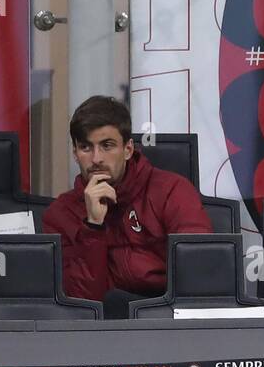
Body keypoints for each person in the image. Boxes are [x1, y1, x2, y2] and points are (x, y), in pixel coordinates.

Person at [44, 96, 212, 316]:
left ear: (128, 149)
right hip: (106, 327)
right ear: (75, 153)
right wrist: (93, 227)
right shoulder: (60, 215)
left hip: (168, 318)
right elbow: (81, 308)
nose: (96, 158)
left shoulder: (172, 191)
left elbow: (199, 275)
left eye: (107, 146)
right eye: (86, 147)